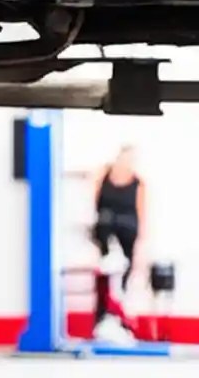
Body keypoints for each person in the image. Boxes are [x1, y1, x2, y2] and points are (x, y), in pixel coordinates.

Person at [90, 144, 147, 337]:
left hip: (127, 234)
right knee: (105, 281)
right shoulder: (104, 176)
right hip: (107, 233)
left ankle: (120, 320)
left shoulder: (138, 183)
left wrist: (141, 246)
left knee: (121, 282)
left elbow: (142, 212)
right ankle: (102, 319)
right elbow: (93, 200)